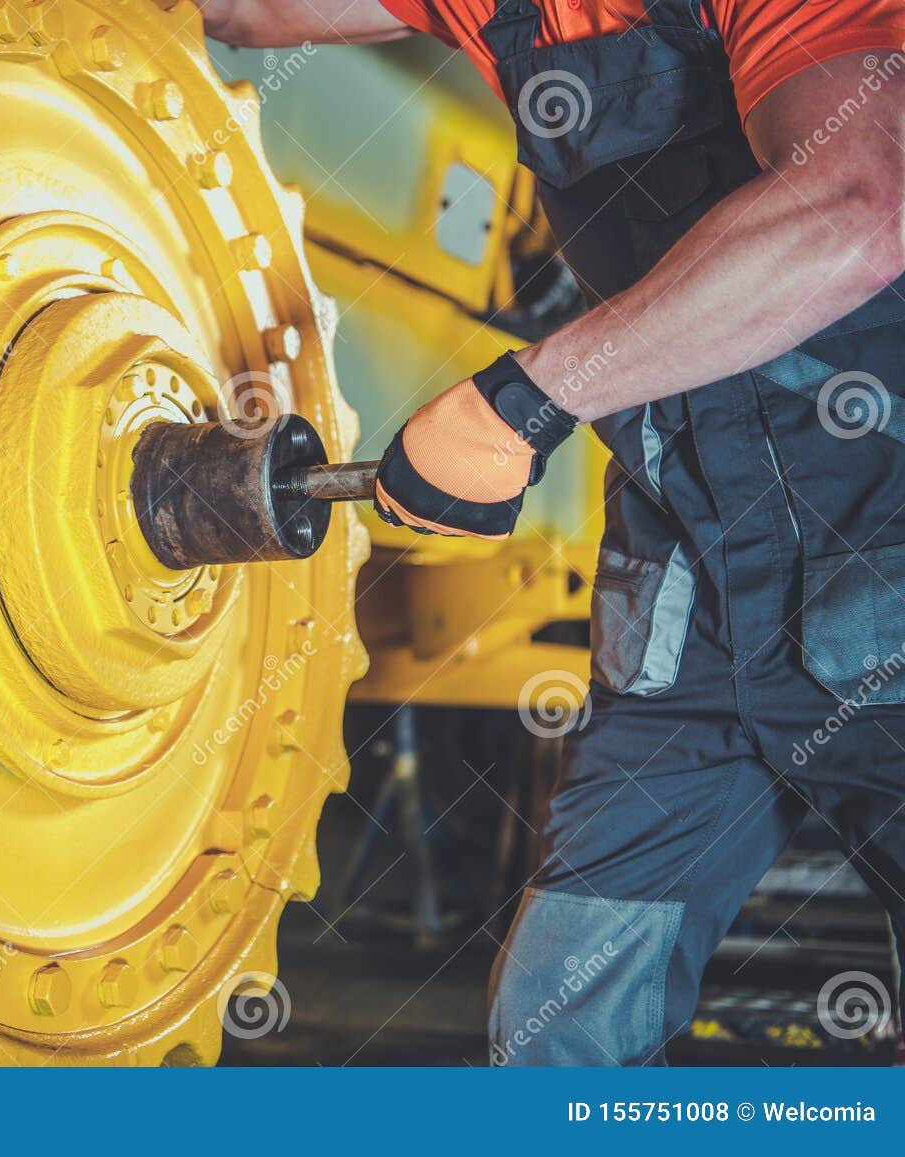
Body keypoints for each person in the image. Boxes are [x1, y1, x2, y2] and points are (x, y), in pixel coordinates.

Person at [195, 0, 905, 1064]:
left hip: (879, 554)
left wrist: (525, 402)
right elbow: (247, 11)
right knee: (559, 1026)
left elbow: (860, 204)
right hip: (688, 594)